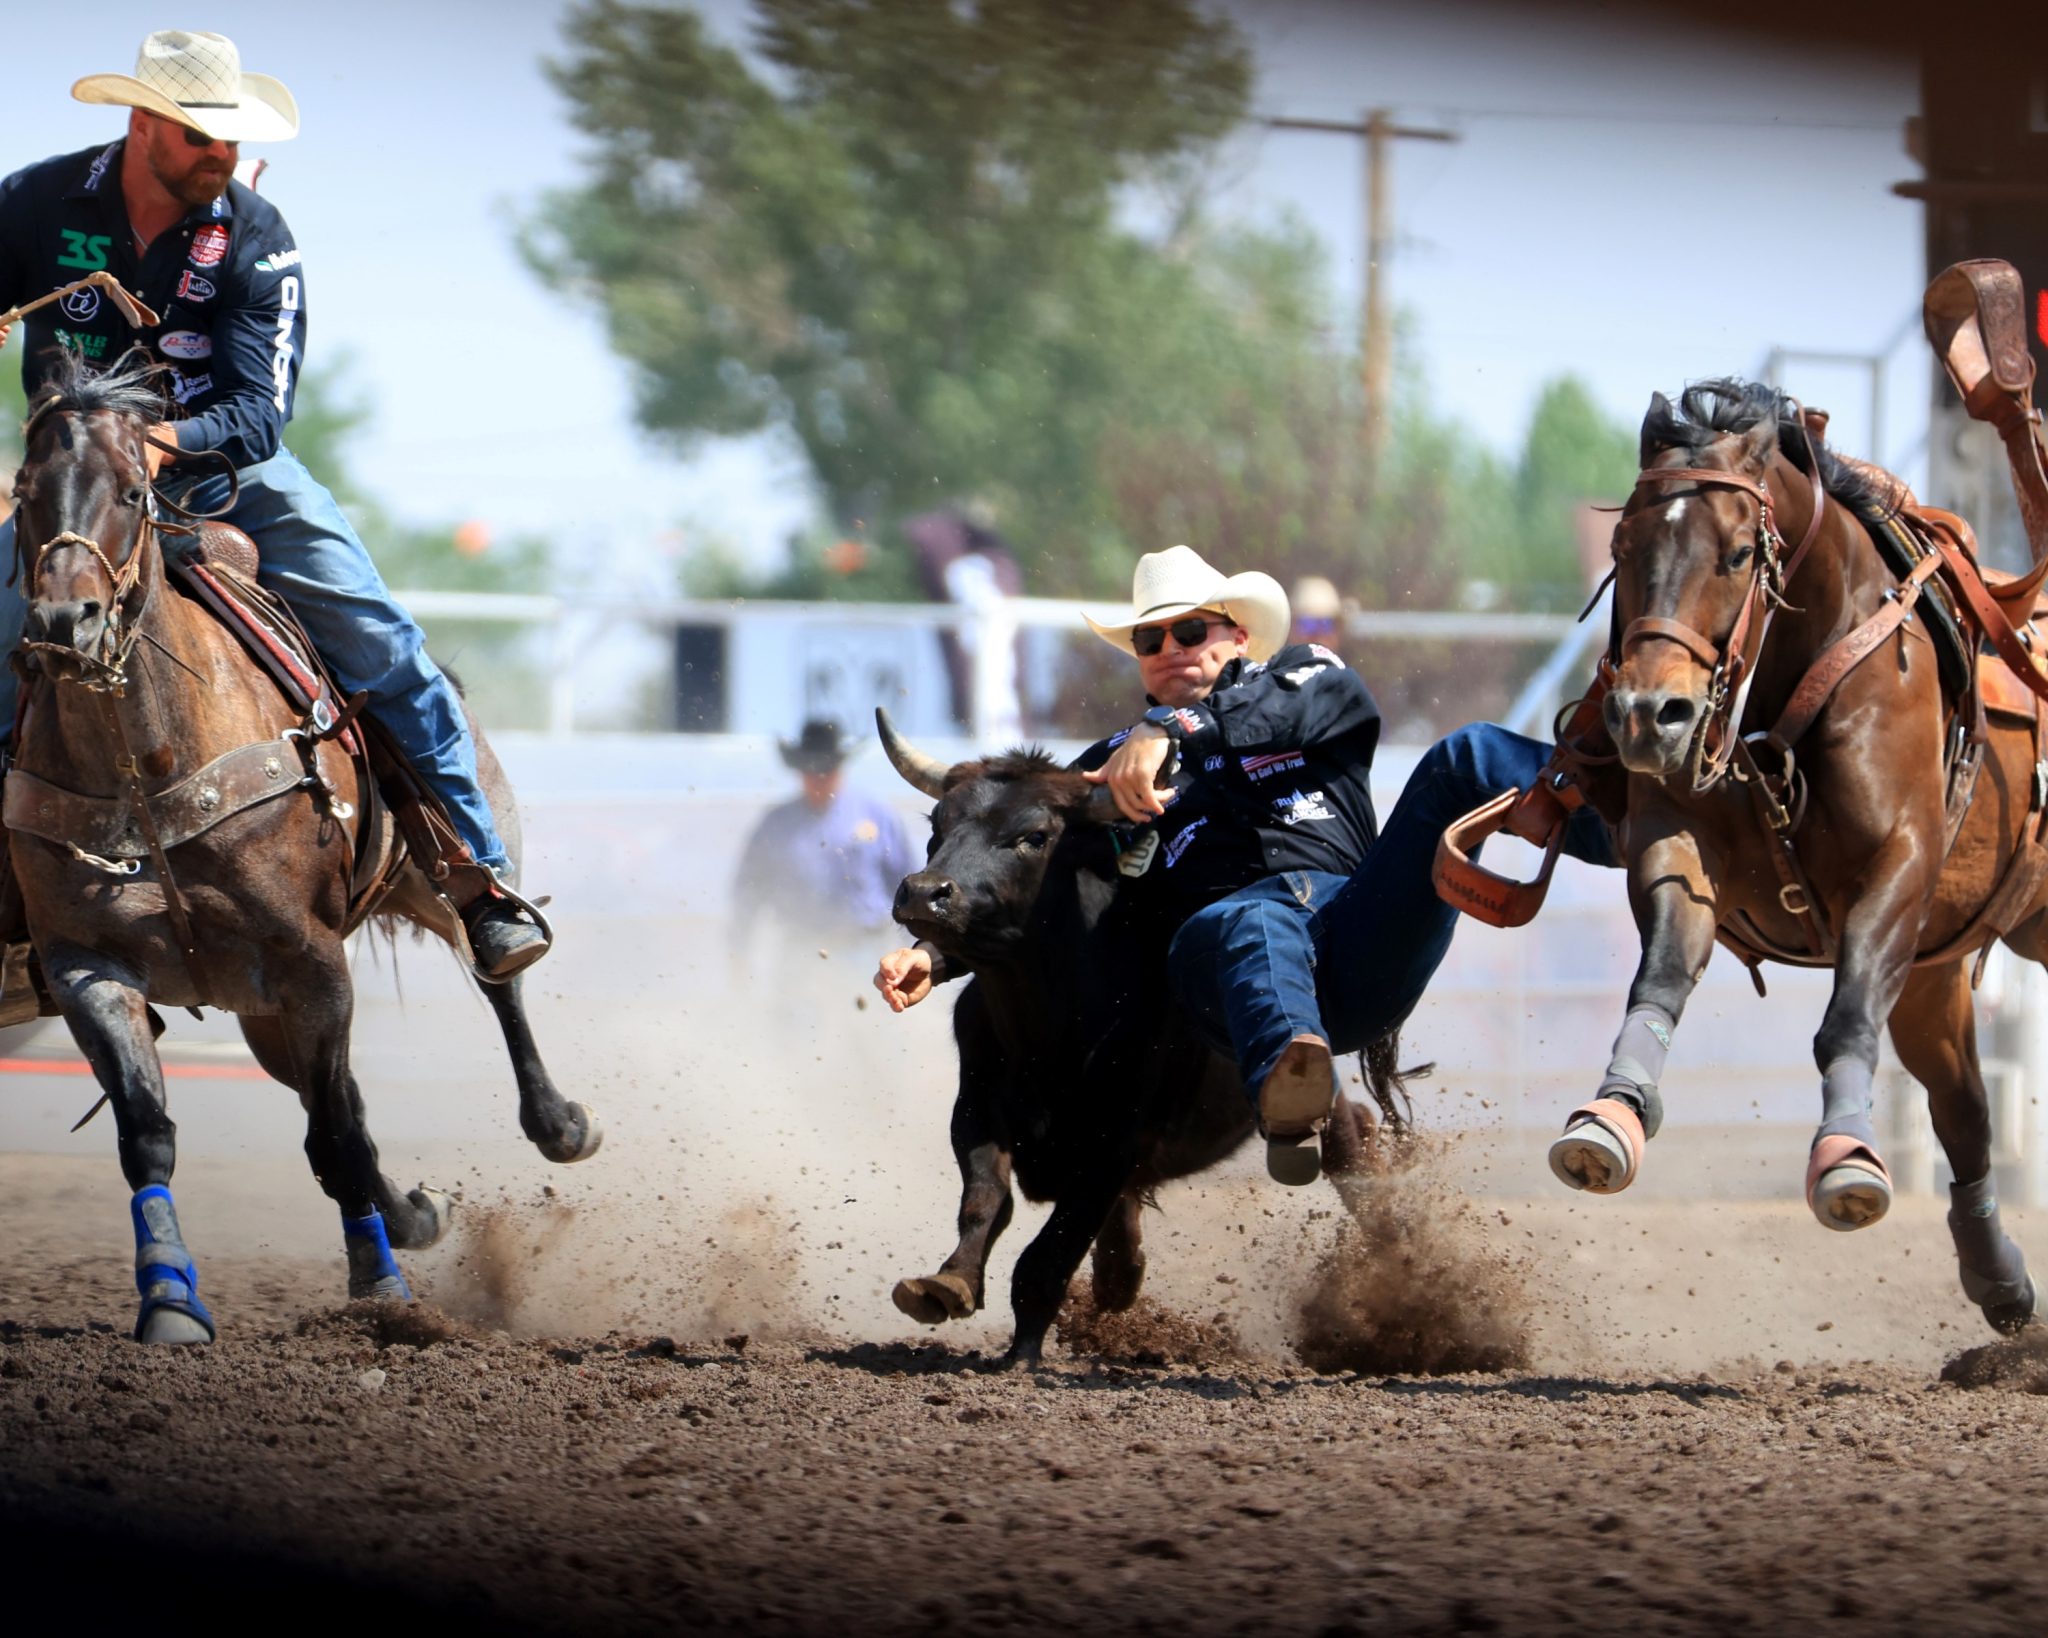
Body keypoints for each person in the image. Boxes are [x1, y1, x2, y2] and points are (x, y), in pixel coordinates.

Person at [0, 29, 547, 980]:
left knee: (384, 647)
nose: (221, 154)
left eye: (229, 139)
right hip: (80, 485)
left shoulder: (256, 236)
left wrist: (162, 442)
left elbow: (260, 410)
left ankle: (480, 882)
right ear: (143, 125)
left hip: (230, 478)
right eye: (199, 136)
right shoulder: (36, 202)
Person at [875, 544, 1618, 1185]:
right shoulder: (1107, 770)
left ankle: (1633, 833)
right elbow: (1028, 869)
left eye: (1189, 630)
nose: (1169, 647)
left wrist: (1168, 728)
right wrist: (936, 955)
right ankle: (1289, 1091)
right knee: (1246, 917)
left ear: (1236, 636)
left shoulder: (1307, 674)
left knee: (1468, 755)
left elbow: (1284, 709)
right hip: (1222, 965)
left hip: (1355, 937)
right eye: (1150, 638)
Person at [732, 719, 921, 964]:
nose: (819, 778)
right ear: (800, 771)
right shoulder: (775, 824)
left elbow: (907, 885)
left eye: (826, 769)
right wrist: (739, 951)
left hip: (864, 949)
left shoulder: (877, 815)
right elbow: (749, 890)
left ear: (839, 768)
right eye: (812, 770)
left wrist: (913, 950)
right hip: (798, 953)